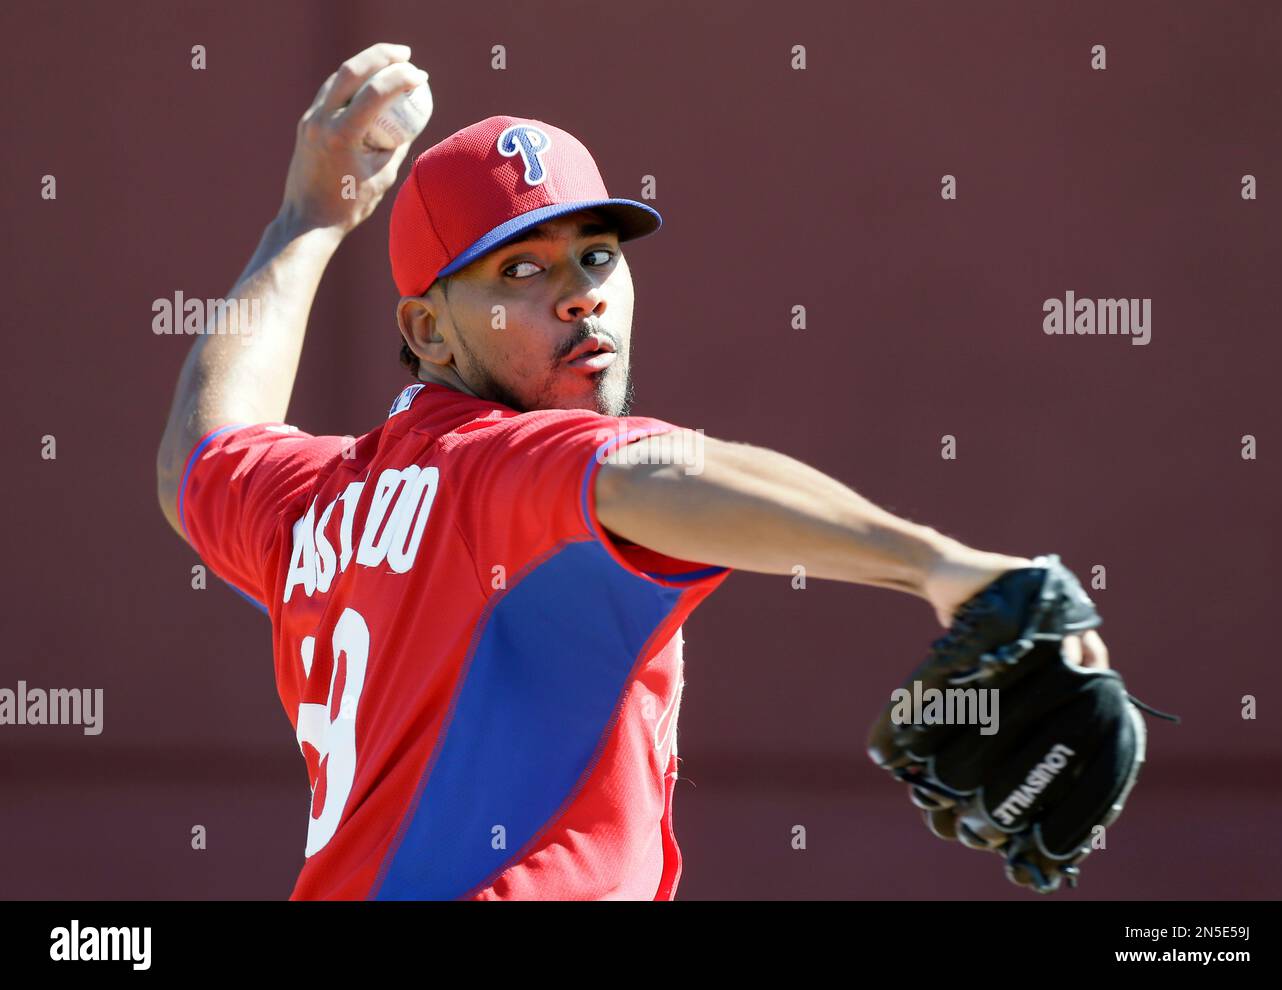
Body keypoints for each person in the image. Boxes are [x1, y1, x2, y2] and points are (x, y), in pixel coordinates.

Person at [155, 43, 1109, 900]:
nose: (578, 295)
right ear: (427, 330)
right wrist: (940, 565)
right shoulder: (498, 464)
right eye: (520, 272)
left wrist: (309, 218)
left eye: (597, 255)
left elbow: (198, 454)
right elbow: (665, 475)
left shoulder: (314, 503)